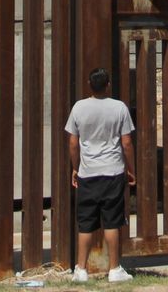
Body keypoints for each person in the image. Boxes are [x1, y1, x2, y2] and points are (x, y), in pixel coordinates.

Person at [65, 68, 137, 282]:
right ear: (108, 85)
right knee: (112, 222)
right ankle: (114, 268)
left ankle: (81, 269)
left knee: (86, 222)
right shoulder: (119, 108)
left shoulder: (79, 107)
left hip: (88, 172)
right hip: (112, 170)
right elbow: (126, 143)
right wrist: (131, 168)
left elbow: (73, 142)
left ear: (89, 84)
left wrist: (75, 167)